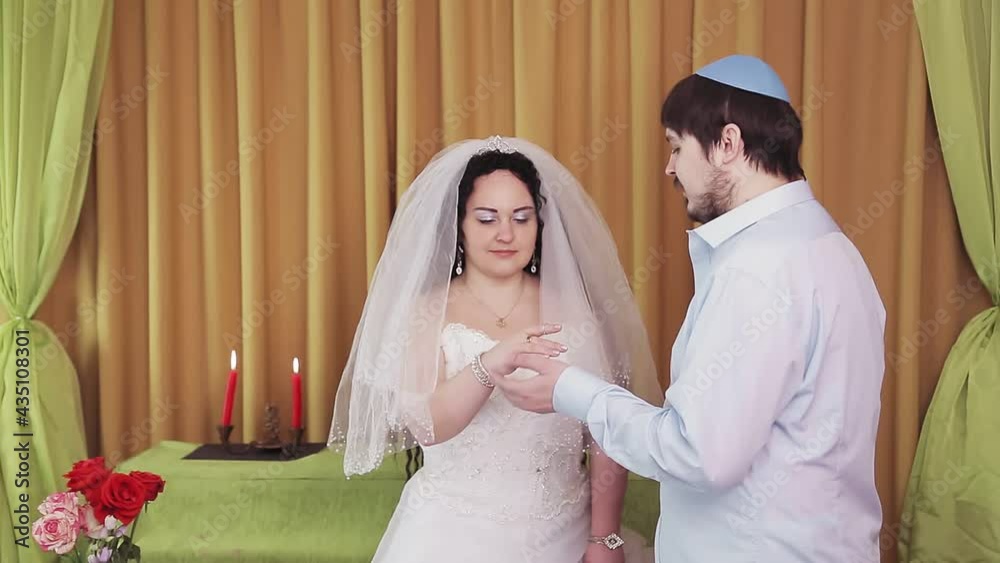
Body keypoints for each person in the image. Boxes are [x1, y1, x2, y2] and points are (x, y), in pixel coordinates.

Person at [493, 55, 887, 563]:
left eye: (677, 147)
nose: (670, 167)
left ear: (728, 144)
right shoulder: (832, 246)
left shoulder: (757, 270)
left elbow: (698, 453)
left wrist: (573, 391)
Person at [328, 135, 662, 563]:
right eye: (487, 219)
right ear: (459, 226)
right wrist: (487, 365)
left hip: (565, 532)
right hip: (447, 535)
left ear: (539, 225)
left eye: (521, 218)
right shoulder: (426, 312)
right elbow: (427, 426)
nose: (506, 233)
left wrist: (604, 539)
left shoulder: (576, 310)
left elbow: (606, 430)